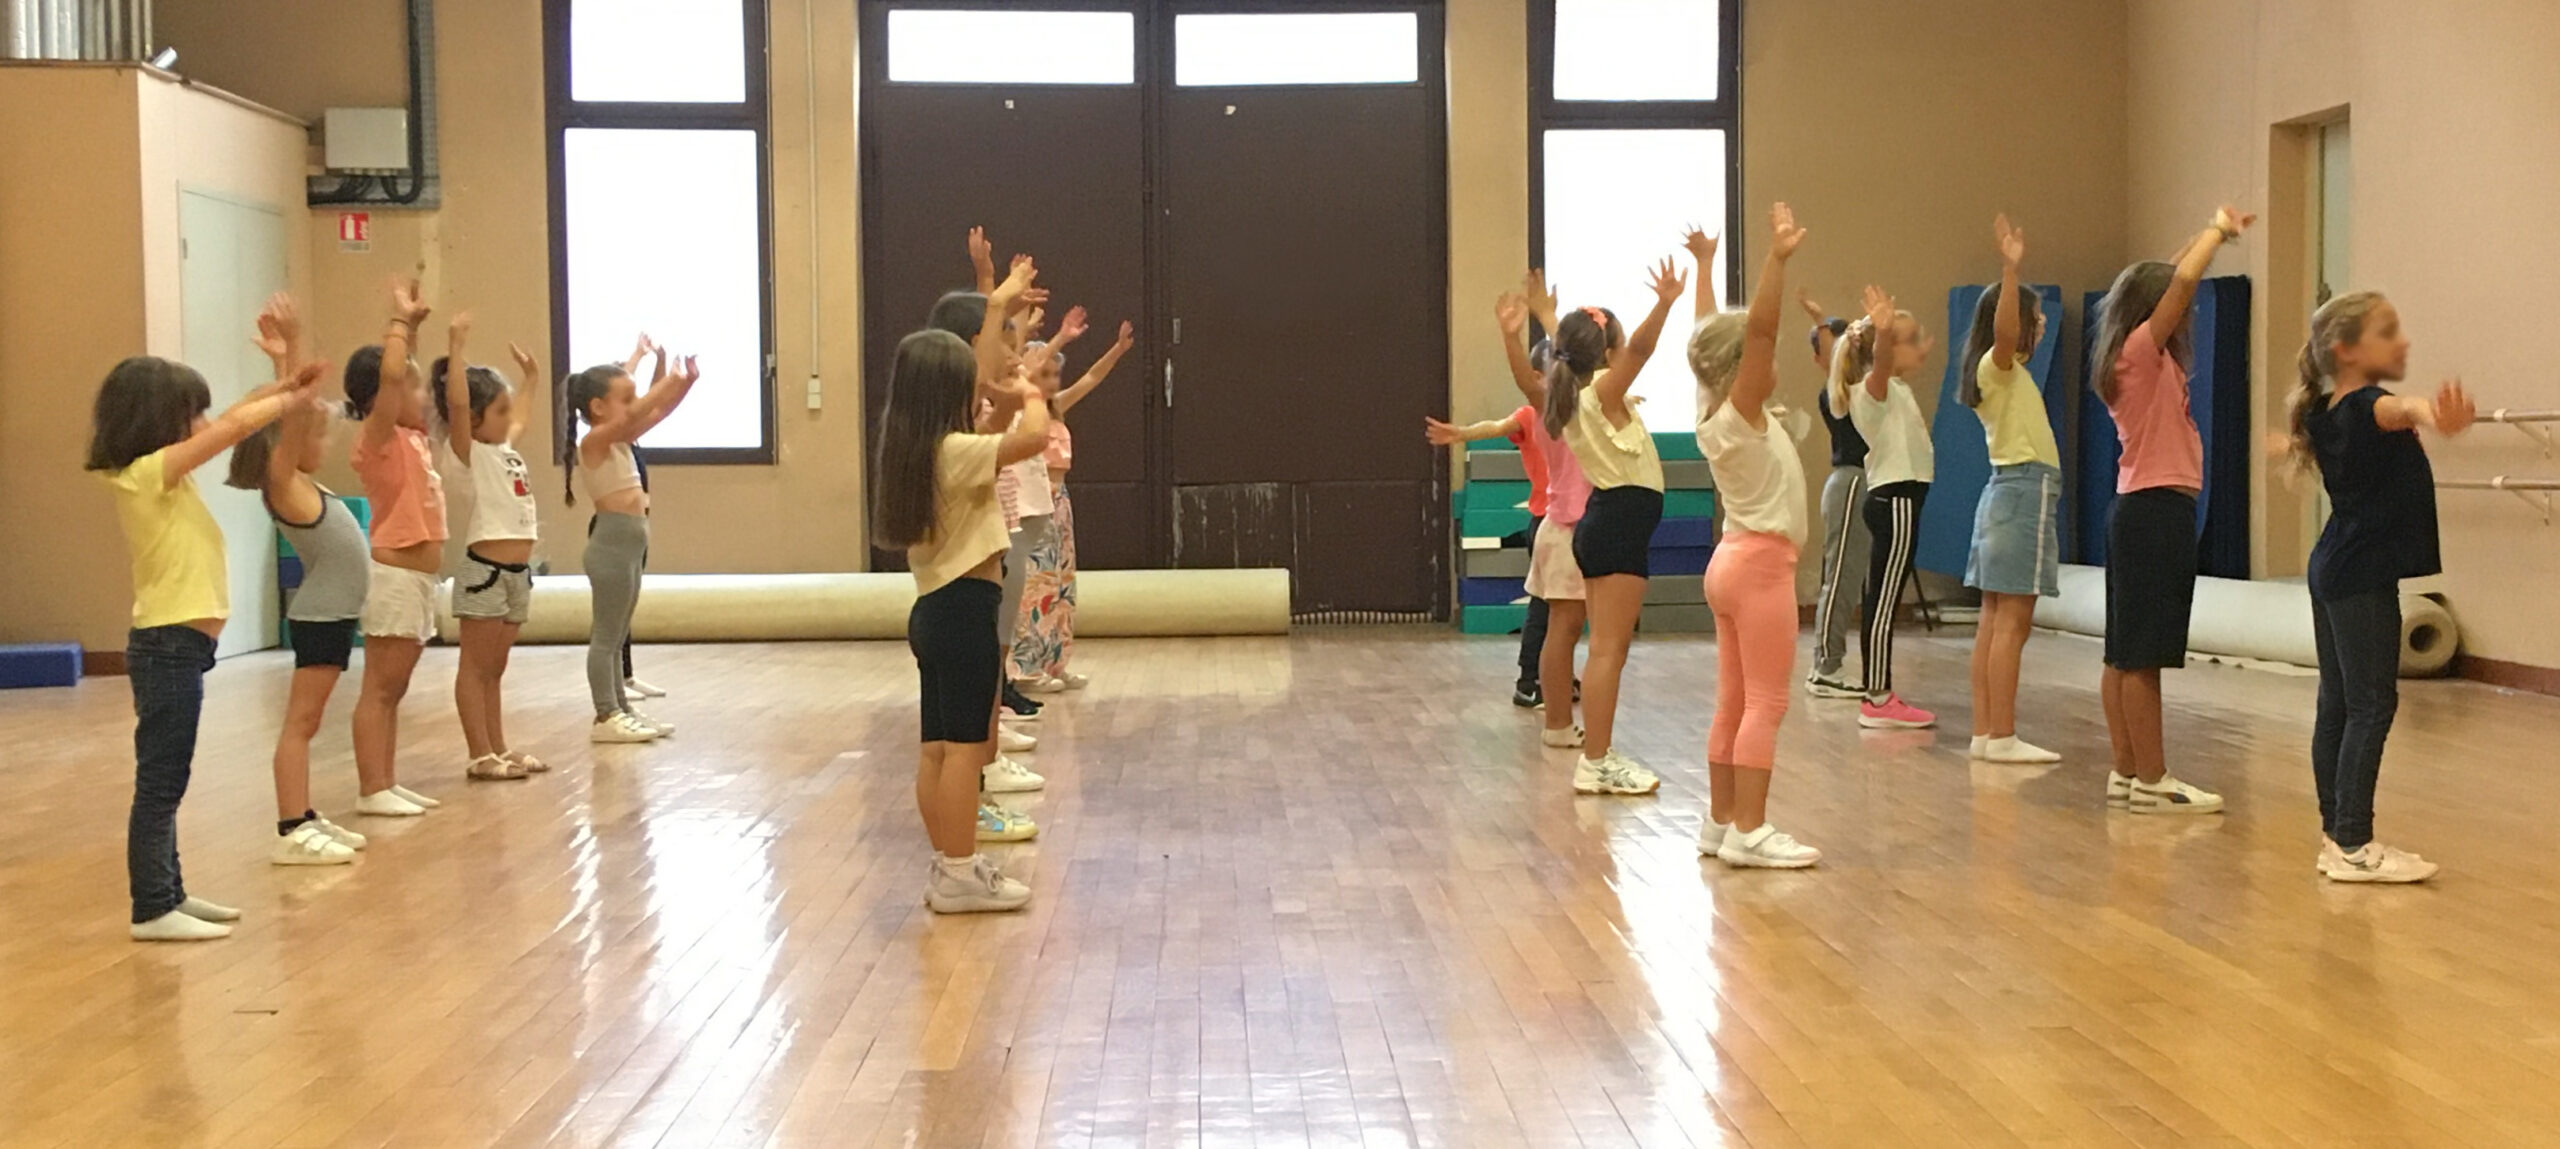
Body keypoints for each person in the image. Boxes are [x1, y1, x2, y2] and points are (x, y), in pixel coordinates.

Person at [89, 340, 324, 938]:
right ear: (156, 419)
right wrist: (289, 397)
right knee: (161, 781)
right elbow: (231, 428)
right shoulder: (145, 475)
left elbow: (233, 417)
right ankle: (152, 907)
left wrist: (283, 381)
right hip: (166, 647)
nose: (202, 425)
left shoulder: (163, 477)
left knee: (168, 776)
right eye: (190, 414)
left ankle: (170, 892)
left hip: (180, 649)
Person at [874, 251, 1054, 913]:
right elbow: (1031, 435)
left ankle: (952, 866)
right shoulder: (956, 452)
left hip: (933, 611)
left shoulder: (920, 450)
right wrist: (1030, 393)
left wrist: (1000, 303)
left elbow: (989, 418)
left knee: (937, 751)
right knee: (967, 753)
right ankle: (958, 867)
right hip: (966, 609)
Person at [2290, 291, 2471, 881]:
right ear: (2347, 352)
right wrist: (2428, 413)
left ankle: (2336, 836)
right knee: (2371, 704)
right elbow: (2399, 409)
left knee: (2340, 703)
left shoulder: (2327, 407)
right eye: (2387, 331)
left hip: (2336, 563)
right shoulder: (2367, 403)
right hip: (2359, 571)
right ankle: (2352, 844)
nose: (2403, 341)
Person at [2091, 204, 2253, 814]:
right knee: (2144, 657)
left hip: (2139, 510)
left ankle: (2128, 772)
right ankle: (2153, 779)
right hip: (2154, 513)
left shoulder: (2131, 355)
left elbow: (2171, 274)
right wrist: (2214, 230)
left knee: (2123, 651)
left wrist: (2217, 232)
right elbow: (2181, 282)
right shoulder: (2139, 349)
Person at [1692, 206, 1821, 868]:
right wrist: (1774, 259)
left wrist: (1706, 269)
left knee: (1733, 700)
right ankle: (1751, 829)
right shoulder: (1741, 413)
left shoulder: (1713, 410)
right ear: (1742, 368)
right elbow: (1761, 331)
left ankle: (1720, 823)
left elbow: (1711, 337)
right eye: (1757, 358)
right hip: (1761, 569)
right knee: (1765, 703)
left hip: (1730, 560)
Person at [224, 295, 370, 864]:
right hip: (318, 616)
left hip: (332, 615)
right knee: (301, 724)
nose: (325, 444)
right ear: (291, 446)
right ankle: (290, 827)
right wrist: (293, 347)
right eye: (320, 436)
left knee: (309, 723)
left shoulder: (304, 484)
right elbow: (291, 415)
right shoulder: (283, 482)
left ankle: (304, 813)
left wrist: (283, 364)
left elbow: (290, 414)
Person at [1548, 254, 1686, 795]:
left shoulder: (1591, 397)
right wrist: (1666, 301)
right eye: (1617, 350)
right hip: (1615, 526)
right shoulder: (1598, 394)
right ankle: (1596, 761)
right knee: (1608, 648)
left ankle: (1599, 755)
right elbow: (1644, 350)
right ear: (1605, 356)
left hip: (1615, 525)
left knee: (1611, 647)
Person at [347, 278, 454, 816]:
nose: (419, 397)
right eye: (410, 390)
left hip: (418, 581)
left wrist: (412, 336)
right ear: (377, 402)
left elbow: (401, 377)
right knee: (380, 689)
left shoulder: (412, 439)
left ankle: (385, 780)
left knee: (395, 690)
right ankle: (372, 787)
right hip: (393, 576)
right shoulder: (379, 439)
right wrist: (401, 324)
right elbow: (391, 375)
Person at [1962, 214, 2065, 763]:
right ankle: (2000, 734)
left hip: (2008, 491)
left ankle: (1987, 732)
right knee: (2012, 623)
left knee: (1995, 620)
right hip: (2023, 491)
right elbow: (2004, 333)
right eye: (2038, 316)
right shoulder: (1997, 365)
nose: (2042, 323)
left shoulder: (2007, 374)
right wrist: (2009, 268)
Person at [563, 344, 701, 744]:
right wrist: (668, 381)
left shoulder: (621, 439)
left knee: (619, 630)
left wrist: (685, 384)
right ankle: (606, 715)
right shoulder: (595, 442)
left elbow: (655, 413)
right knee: (606, 636)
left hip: (629, 544)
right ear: (598, 407)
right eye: (625, 398)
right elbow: (645, 409)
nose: (635, 404)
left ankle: (622, 708)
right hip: (609, 544)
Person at [436, 312, 548, 780]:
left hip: (517, 575)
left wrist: (532, 378)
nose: (508, 418)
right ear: (477, 418)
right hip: (485, 573)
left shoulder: (503, 448)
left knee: (495, 669)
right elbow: (459, 408)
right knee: (475, 666)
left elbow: (520, 415)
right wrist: (457, 347)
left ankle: (498, 745)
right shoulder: (468, 452)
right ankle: (479, 753)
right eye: (497, 411)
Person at [1828, 284, 1939, 729]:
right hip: (1895, 499)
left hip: (1902, 498)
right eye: (1908, 340)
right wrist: (1888, 332)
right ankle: (1876, 697)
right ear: (1883, 352)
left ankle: (1878, 693)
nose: (1919, 347)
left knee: (1884, 598)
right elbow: (1882, 365)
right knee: (1883, 601)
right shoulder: (1871, 392)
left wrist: (1902, 339)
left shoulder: (1893, 390)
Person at [1015, 316, 1133, 693]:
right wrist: (1058, 339)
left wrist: (1116, 350)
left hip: (1060, 502)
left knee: (1063, 584)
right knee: (1036, 585)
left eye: (1055, 374)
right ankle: (1026, 668)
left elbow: (1091, 379)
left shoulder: (1056, 409)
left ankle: (1056, 662)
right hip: (1033, 502)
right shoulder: (1017, 412)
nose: (1052, 381)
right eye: (1044, 374)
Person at [1503, 275, 1593, 750]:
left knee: (1565, 629)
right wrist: (1525, 329)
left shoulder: (1578, 406)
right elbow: (1532, 376)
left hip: (1568, 529)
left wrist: (1536, 323)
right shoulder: (1560, 408)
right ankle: (1556, 719)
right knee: (1561, 629)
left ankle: (1558, 717)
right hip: (1565, 529)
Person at [1802, 294, 1867, 699]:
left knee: (1851, 577)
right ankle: (1825, 667)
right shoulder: (1835, 394)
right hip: (1850, 484)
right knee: (1840, 578)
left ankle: (1832, 663)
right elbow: (1837, 361)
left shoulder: (1867, 388)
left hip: (1866, 484)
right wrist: (1821, 322)